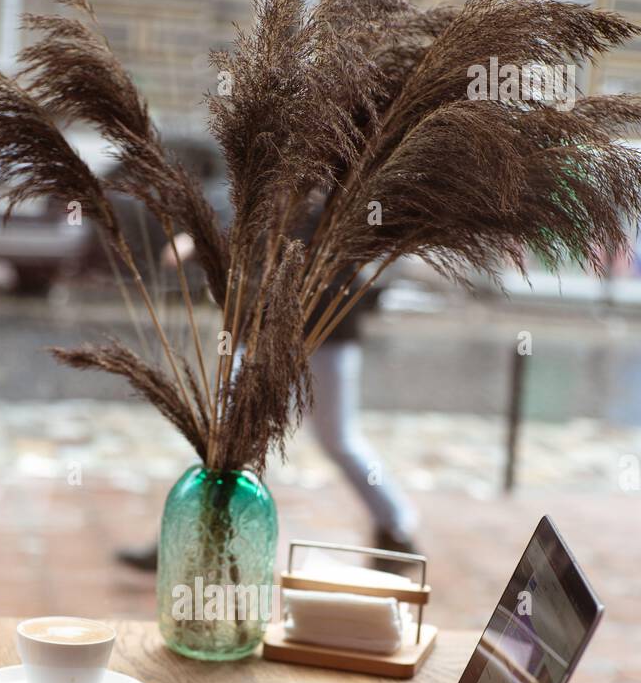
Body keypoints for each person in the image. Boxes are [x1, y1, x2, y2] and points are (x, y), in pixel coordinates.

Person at [118, 235, 418, 572]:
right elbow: (250, 210)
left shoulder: (332, 191)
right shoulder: (279, 193)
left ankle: (396, 530)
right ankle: (185, 536)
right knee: (226, 436)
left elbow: (329, 232)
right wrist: (199, 235)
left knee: (337, 439)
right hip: (263, 329)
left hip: (327, 329)